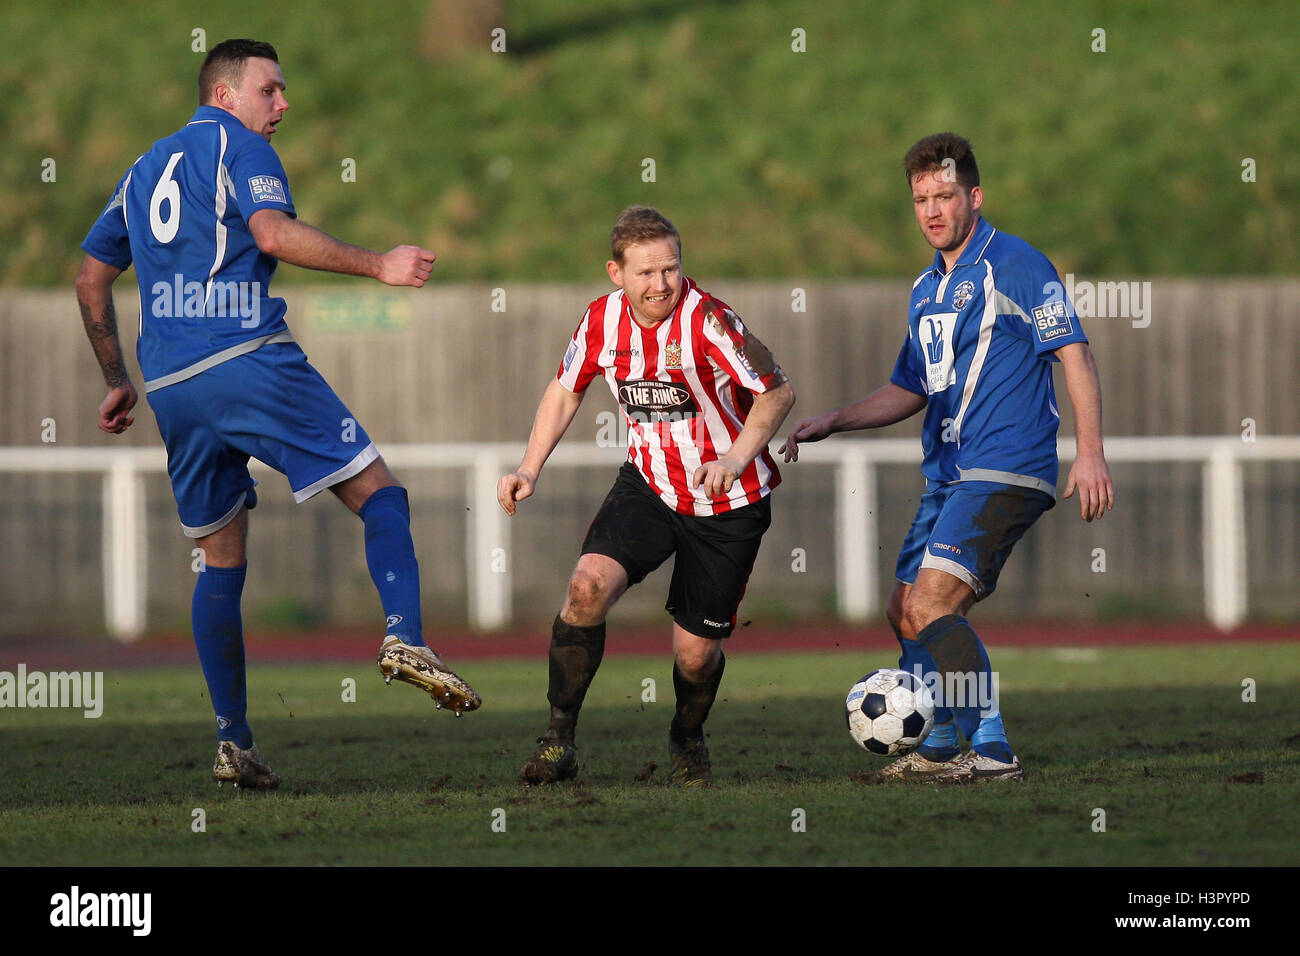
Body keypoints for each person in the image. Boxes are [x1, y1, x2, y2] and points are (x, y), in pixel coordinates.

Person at [75, 39, 480, 790]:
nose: (283, 105)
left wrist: (116, 378)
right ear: (225, 95)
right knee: (379, 491)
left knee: (220, 558)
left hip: (171, 384)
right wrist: (378, 264)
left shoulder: (141, 170)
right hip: (246, 356)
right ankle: (405, 637)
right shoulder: (236, 145)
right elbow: (271, 233)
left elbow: (91, 276)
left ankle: (234, 741)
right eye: (271, 90)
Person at [780, 132, 1114, 784]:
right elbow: (910, 388)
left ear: (975, 197)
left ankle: (980, 751)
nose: (932, 210)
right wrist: (836, 420)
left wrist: (1091, 453)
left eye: (945, 195)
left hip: (1006, 465)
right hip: (949, 474)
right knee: (905, 608)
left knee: (933, 603)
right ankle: (960, 742)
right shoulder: (926, 287)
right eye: (920, 199)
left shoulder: (1016, 264)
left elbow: (1075, 352)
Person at [497, 206, 795, 787]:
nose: (661, 284)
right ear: (616, 273)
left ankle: (687, 739)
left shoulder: (709, 320)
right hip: (651, 486)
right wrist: (529, 467)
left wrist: (734, 457)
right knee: (585, 588)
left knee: (693, 655)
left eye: (670, 269)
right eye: (646, 273)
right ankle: (558, 739)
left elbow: (776, 393)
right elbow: (564, 390)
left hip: (728, 503)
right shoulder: (601, 321)